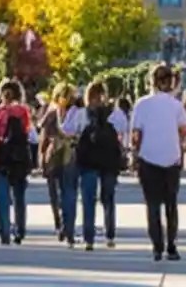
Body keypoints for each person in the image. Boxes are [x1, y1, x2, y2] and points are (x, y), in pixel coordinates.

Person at [132, 64, 186, 262]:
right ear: (170, 82)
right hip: (171, 159)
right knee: (171, 204)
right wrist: (184, 146)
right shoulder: (176, 106)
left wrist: (135, 156)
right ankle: (172, 245)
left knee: (152, 205)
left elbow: (136, 135)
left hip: (148, 158)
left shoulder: (141, 105)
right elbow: (185, 131)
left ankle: (157, 246)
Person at [72, 81, 126, 251]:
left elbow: (73, 131)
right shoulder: (115, 113)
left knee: (88, 199)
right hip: (109, 161)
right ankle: (109, 234)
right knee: (108, 199)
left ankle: (89, 238)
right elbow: (124, 130)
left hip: (88, 161)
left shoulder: (82, 114)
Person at [0, 79, 35, 245]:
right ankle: (20, 229)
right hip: (19, 158)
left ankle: (5, 231)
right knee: (19, 196)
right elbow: (29, 133)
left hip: (1, 157)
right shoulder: (23, 111)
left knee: (2, 197)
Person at [39, 83, 81, 246]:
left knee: (55, 193)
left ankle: (59, 224)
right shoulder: (77, 113)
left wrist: (42, 158)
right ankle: (69, 228)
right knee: (69, 192)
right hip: (71, 155)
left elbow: (43, 138)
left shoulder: (50, 114)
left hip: (53, 155)